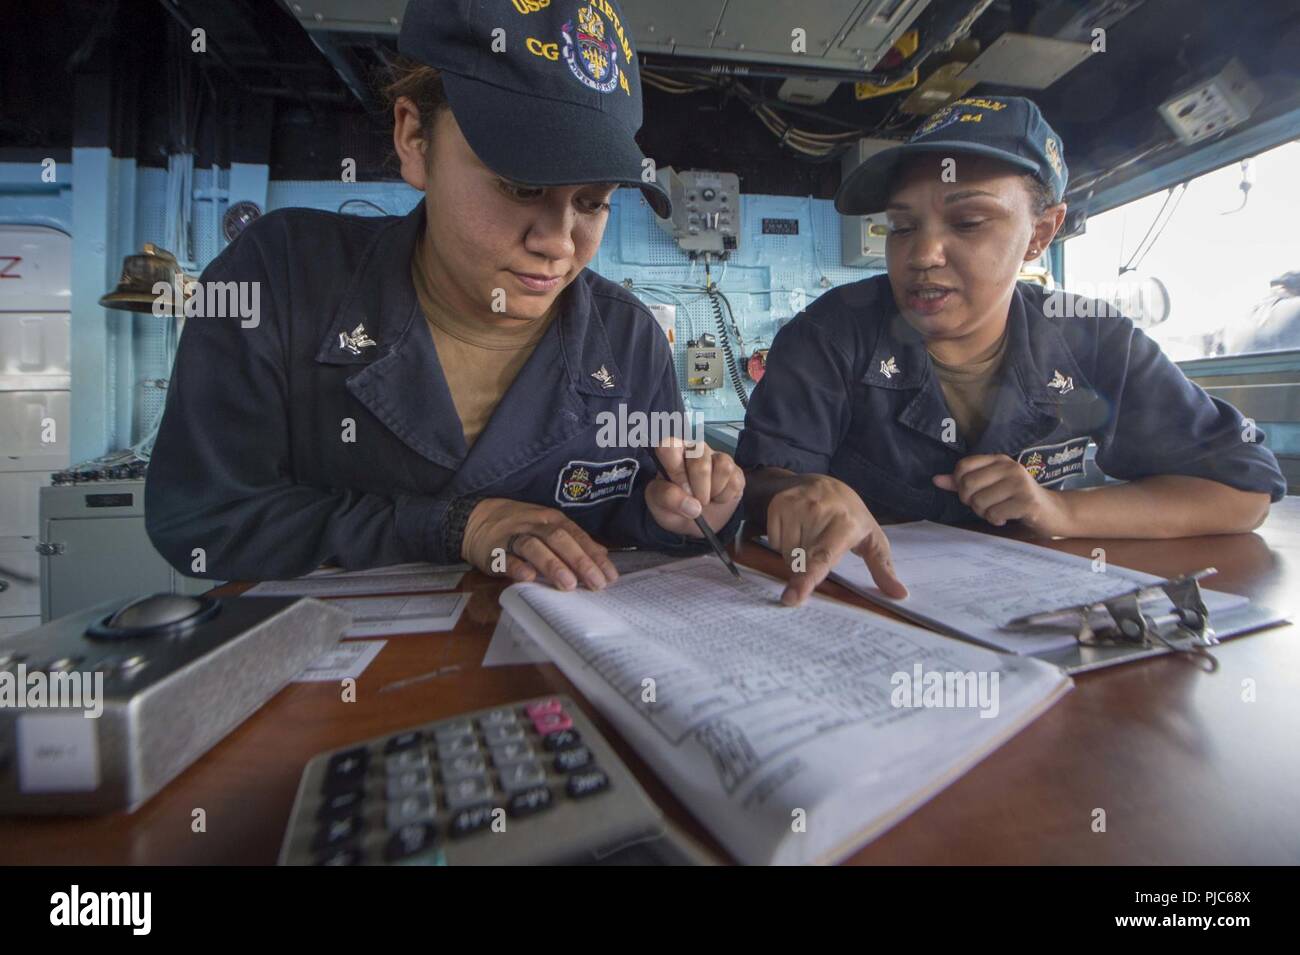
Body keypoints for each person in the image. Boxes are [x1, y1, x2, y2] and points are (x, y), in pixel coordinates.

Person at [146, 0, 743, 589]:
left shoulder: (629, 339)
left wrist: (684, 519)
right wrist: (451, 527)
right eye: (521, 186)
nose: (558, 243)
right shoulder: (281, 278)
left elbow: (631, 513)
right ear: (414, 138)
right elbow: (203, 521)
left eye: (591, 202)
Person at [736, 95, 1285, 606]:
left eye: (968, 222)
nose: (922, 254)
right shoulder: (831, 334)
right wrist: (797, 493)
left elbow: (1242, 488)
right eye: (901, 227)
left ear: (1042, 233)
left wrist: (1059, 510)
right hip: (869, 608)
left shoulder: (1094, 340)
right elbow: (757, 487)